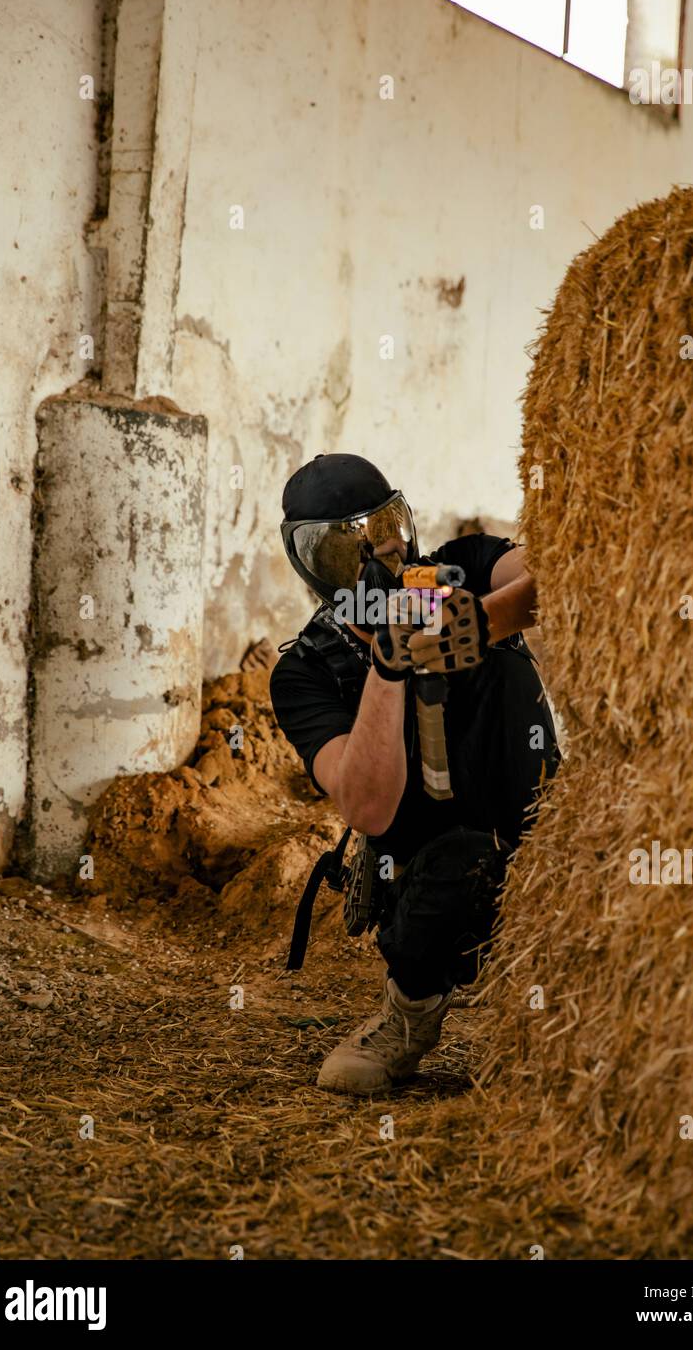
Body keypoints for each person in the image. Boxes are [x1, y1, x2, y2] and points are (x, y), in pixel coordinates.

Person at [270, 453, 560, 1094]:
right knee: (454, 863)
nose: (379, 560)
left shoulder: (470, 564)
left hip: (552, 835)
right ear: (313, 568)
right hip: (432, 863)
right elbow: (365, 810)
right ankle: (407, 1017)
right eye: (347, 550)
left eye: (383, 529)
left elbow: (567, 574)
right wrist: (390, 667)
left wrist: (483, 621)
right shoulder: (308, 671)